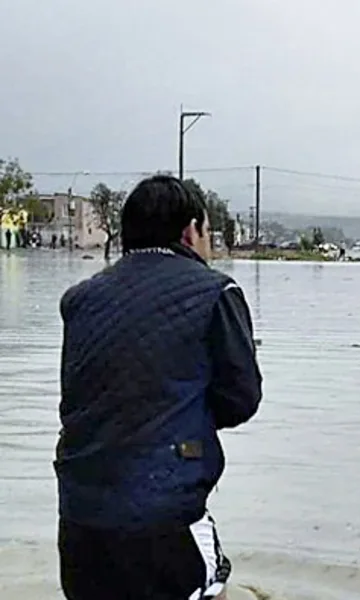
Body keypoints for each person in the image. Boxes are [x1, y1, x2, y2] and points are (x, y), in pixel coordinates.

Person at [55, 174, 263, 600]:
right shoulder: (216, 291)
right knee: (214, 585)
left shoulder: (79, 299)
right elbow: (241, 400)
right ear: (191, 231)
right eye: (209, 232)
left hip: (78, 521)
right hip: (164, 516)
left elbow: (78, 395)